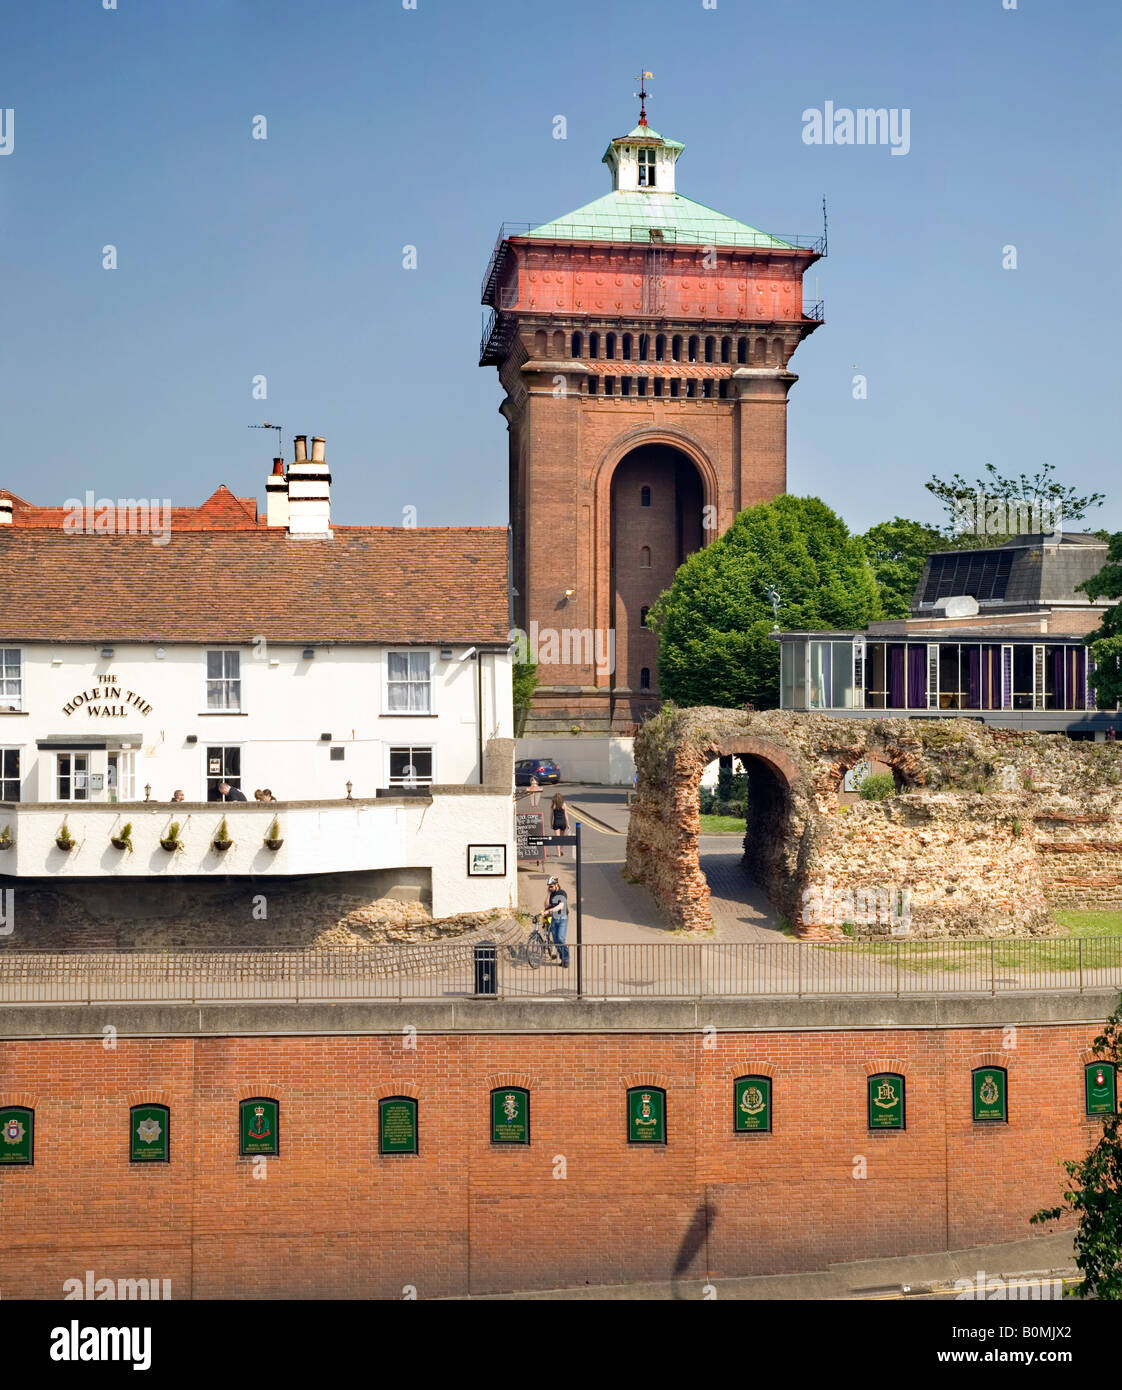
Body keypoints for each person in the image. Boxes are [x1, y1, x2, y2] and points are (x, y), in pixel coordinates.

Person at [544, 875, 570, 968]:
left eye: (551, 886)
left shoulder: (562, 893)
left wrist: (550, 911)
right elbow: (546, 905)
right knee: (555, 941)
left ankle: (566, 959)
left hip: (562, 918)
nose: (550, 888)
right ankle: (563, 958)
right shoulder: (552, 894)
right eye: (549, 886)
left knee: (560, 939)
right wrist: (548, 893)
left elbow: (561, 906)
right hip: (554, 918)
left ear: (556, 885)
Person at [550, 791, 569, 858]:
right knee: (561, 838)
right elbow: (566, 815)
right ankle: (560, 850)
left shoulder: (553, 805)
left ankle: (558, 853)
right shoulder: (564, 804)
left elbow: (551, 815)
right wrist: (568, 824)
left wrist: (551, 823)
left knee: (557, 839)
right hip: (563, 822)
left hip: (556, 822)